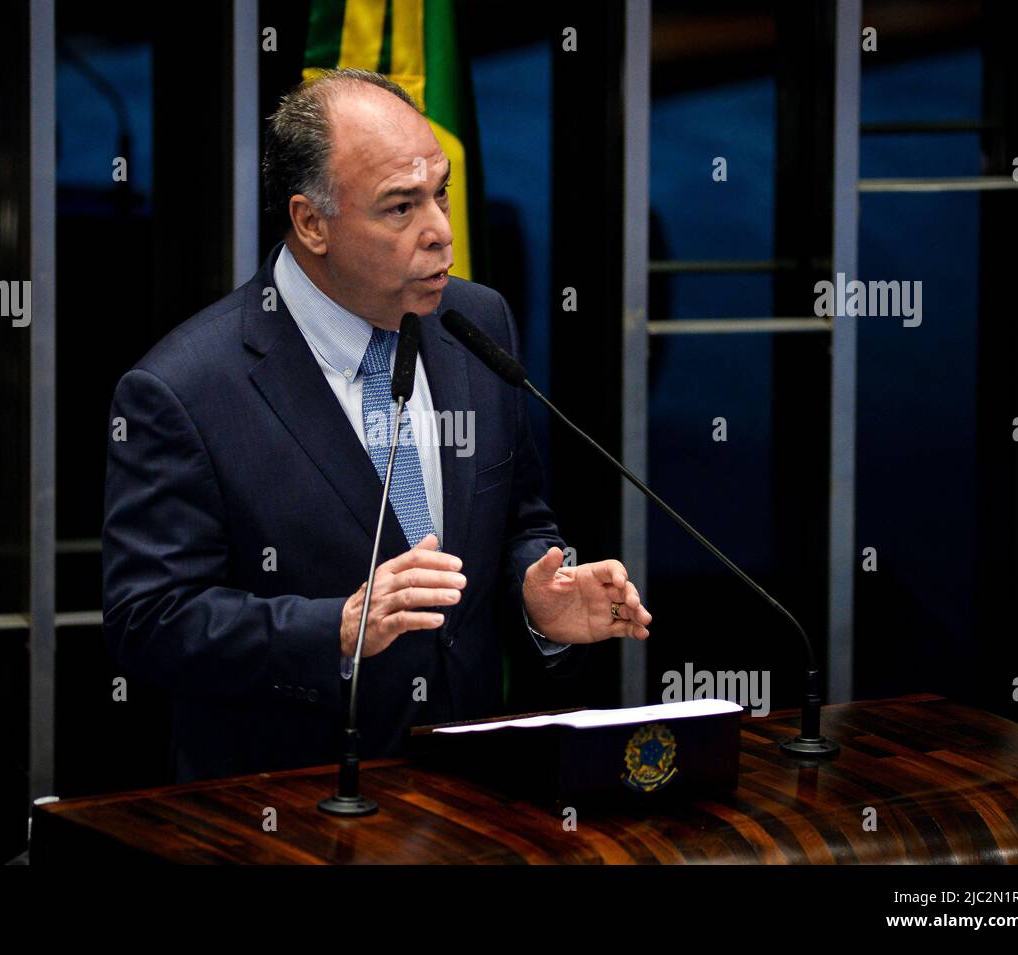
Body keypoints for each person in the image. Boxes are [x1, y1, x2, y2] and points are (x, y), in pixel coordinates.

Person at [102, 68, 652, 782]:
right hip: (289, 803)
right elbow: (149, 621)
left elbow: (518, 518)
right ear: (311, 223)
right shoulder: (184, 389)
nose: (441, 233)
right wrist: (332, 626)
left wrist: (534, 593)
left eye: (441, 193)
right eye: (400, 208)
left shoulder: (476, 322)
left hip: (474, 791)